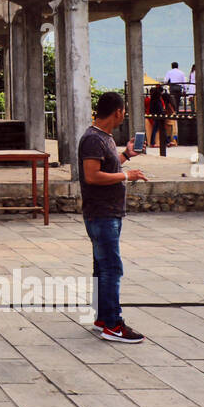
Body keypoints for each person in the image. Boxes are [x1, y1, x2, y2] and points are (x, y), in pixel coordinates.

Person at [79, 91, 148, 343]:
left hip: (107, 212)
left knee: (102, 267)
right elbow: (92, 176)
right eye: (124, 111)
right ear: (117, 112)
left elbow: (107, 166)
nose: (124, 115)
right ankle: (113, 324)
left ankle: (101, 318)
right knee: (112, 268)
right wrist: (127, 176)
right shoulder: (93, 139)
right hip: (102, 214)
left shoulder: (102, 138)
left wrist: (126, 155)